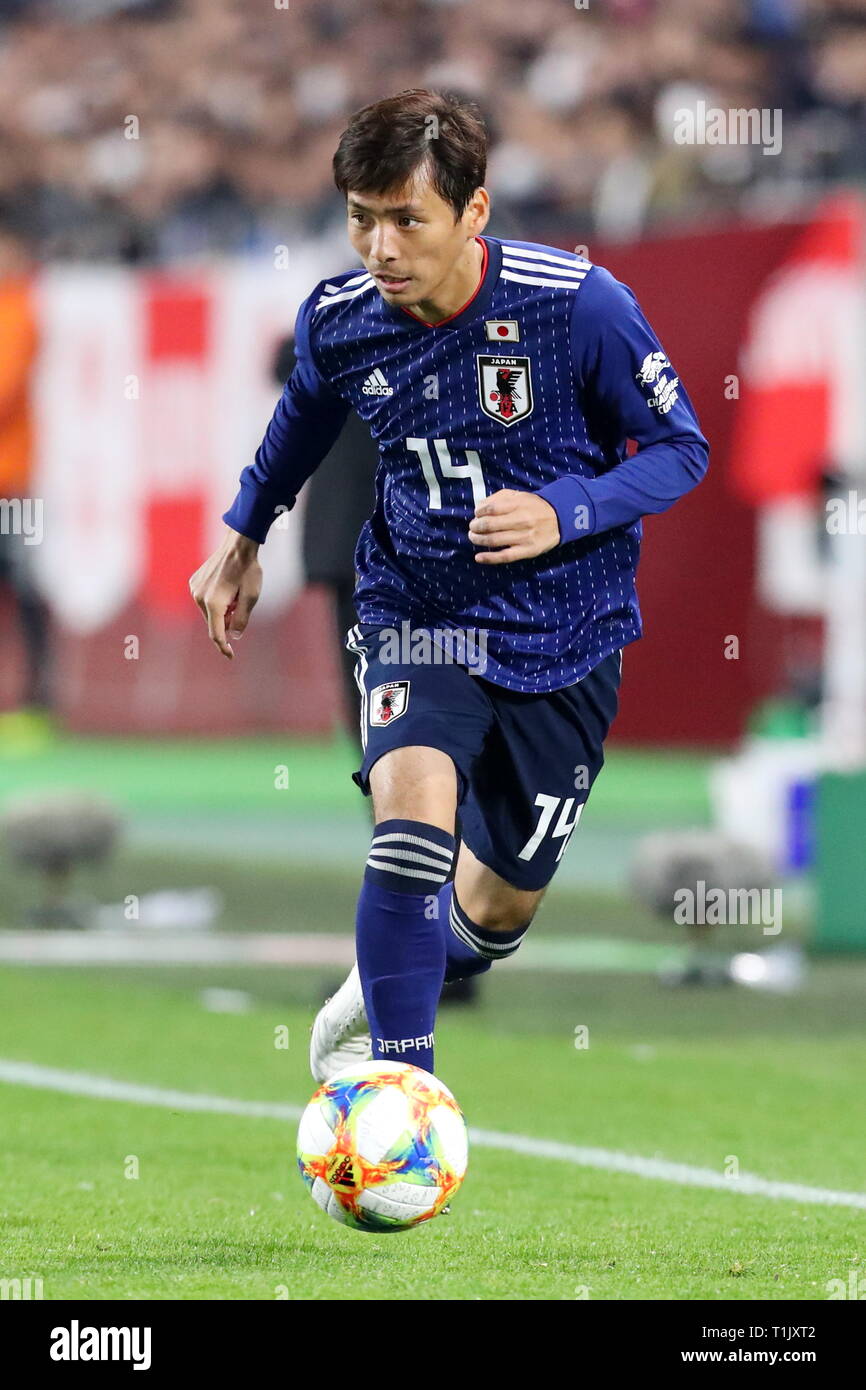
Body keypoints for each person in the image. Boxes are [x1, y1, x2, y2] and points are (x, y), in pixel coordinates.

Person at [189, 88, 709, 1083]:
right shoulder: (342, 320)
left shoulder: (574, 306)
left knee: (500, 906)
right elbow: (303, 411)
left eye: (403, 219)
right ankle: (400, 1087)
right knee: (410, 820)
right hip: (414, 611)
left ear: (472, 214)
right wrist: (244, 531)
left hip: (567, 631)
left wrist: (568, 510)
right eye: (360, 218)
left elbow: (679, 449)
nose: (378, 247)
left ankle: (381, 976)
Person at [0, 202, 52, 746]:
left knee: (25, 588)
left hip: (11, 480)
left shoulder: (18, 308)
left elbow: (5, 388)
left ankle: (38, 701)